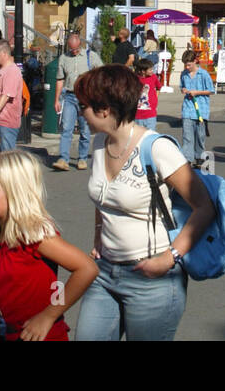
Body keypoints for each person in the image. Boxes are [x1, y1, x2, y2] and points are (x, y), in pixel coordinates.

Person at [73, 65, 214, 341]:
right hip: (104, 272)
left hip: (152, 278)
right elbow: (103, 200)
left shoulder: (157, 148)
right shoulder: (99, 143)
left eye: (84, 106)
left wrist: (170, 257)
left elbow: (204, 206)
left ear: (104, 109)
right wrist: (98, 237)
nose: (81, 113)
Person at [0, 151, 99, 340]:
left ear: (14, 191)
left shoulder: (35, 235)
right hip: (9, 331)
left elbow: (86, 269)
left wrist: (49, 316)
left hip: (40, 334)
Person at [54, 33, 95, 171]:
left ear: (80, 45)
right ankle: (63, 159)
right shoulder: (63, 58)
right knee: (66, 128)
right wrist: (57, 99)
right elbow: (60, 79)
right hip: (69, 96)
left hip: (85, 97)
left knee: (85, 130)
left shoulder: (90, 56)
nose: (74, 51)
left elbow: (101, 72)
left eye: (76, 49)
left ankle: (82, 159)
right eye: (72, 49)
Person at [0, 40, 24, 151]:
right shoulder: (2, 69)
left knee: (7, 159)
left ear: (4, 53)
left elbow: (6, 95)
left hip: (5, 122)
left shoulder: (11, 70)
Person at [179, 50, 214, 167]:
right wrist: (184, 90)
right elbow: (182, 87)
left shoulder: (203, 74)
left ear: (195, 61)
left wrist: (197, 92)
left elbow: (211, 90)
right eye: (185, 65)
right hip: (188, 109)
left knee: (200, 136)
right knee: (187, 136)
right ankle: (187, 159)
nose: (187, 67)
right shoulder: (184, 74)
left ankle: (199, 157)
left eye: (189, 64)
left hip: (201, 110)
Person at [135, 58, 160, 131]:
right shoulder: (135, 78)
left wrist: (155, 97)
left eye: (152, 69)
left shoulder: (154, 77)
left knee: (151, 135)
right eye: (150, 69)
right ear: (143, 71)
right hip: (138, 115)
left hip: (150, 114)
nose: (152, 71)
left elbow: (158, 87)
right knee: (139, 137)